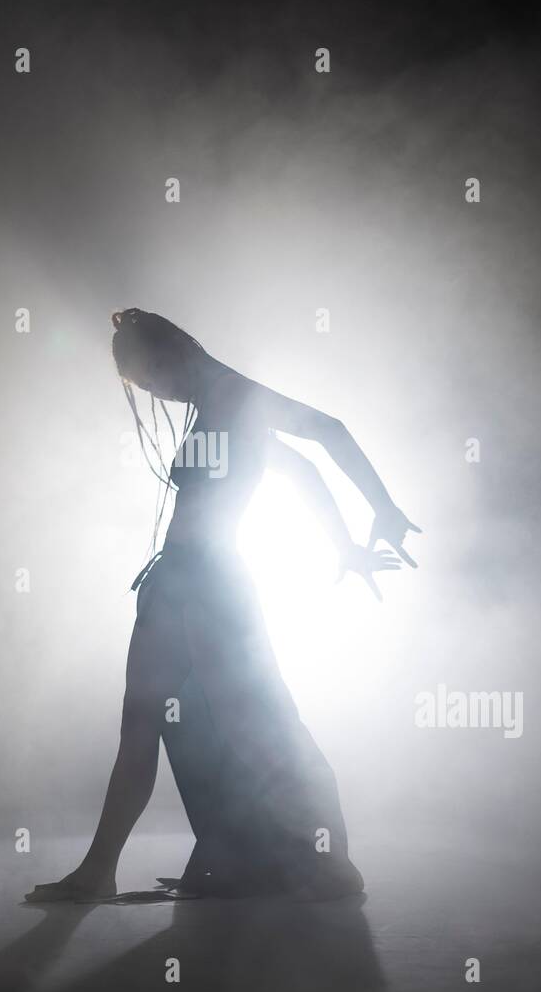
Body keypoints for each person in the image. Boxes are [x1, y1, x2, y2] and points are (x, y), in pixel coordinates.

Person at [28, 309, 420, 902]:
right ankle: (111, 868)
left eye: (154, 379)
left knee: (252, 725)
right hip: (177, 582)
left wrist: (380, 509)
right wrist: (342, 543)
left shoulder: (235, 396)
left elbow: (328, 430)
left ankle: (306, 859)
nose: (159, 393)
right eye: (146, 388)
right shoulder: (219, 409)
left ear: (177, 352)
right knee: (147, 726)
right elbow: (299, 470)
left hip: (210, 585)